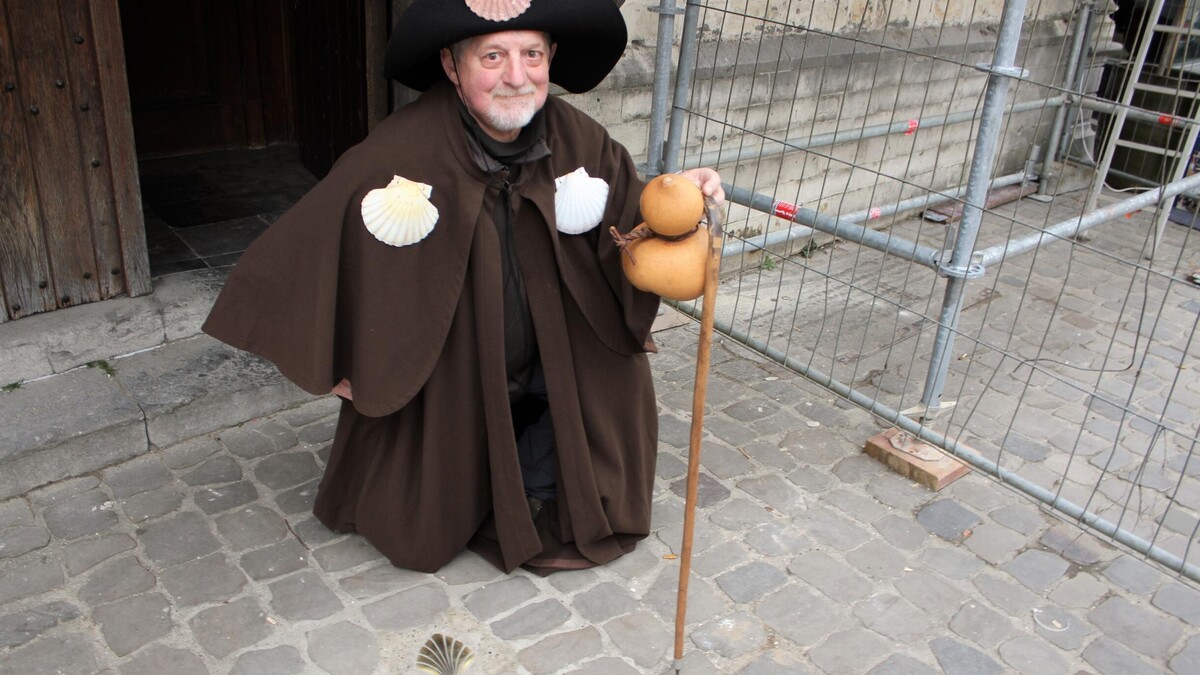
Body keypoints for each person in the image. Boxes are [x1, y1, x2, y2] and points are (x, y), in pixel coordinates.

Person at [202, 0, 723, 575]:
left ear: (551, 57)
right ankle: (476, 483)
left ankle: (542, 473)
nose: (516, 76)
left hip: (555, 358)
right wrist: (340, 362)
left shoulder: (581, 139)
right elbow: (304, 251)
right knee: (432, 503)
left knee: (606, 377)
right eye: (492, 57)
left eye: (531, 54)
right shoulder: (401, 148)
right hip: (456, 370)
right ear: (452, 67)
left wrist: (684, 200)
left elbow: (635, 224)